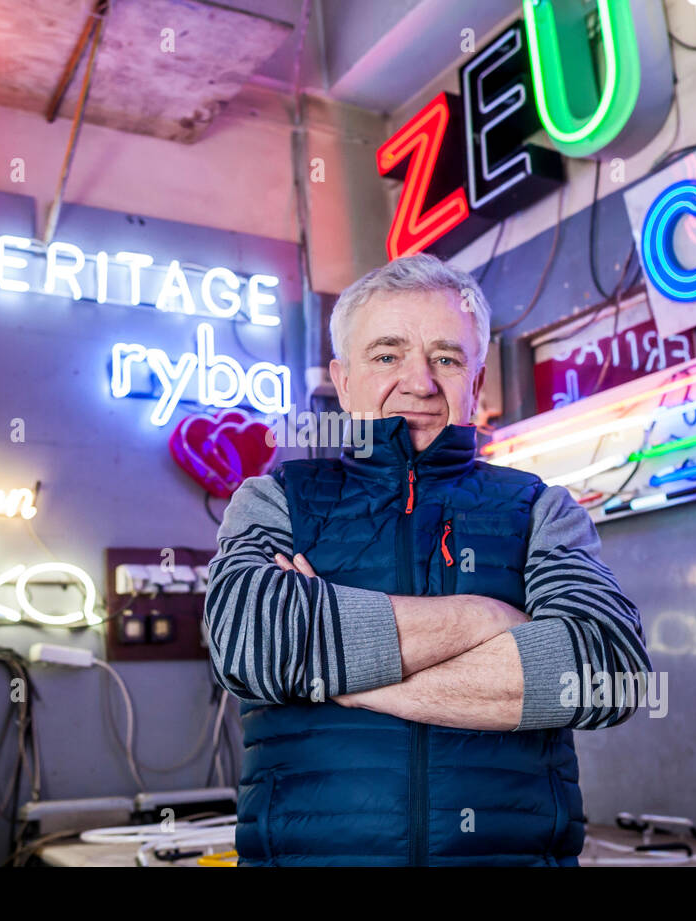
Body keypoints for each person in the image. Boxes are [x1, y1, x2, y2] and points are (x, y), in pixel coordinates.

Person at [203, 252, 650, 866]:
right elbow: (251, 644)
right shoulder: (277, 499)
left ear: (477, 380)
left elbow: (605, 671)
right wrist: (481, 620)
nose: (419, 382)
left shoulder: (539, 508)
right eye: (387, 355)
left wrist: (339, 678)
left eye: (446, 357)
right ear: (344, 377)